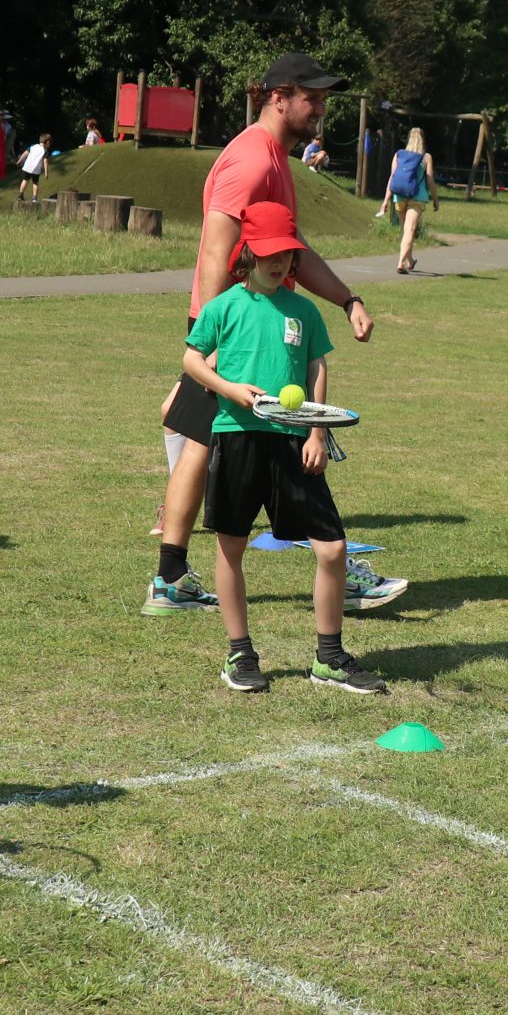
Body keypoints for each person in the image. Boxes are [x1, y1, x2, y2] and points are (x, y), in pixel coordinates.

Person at [151, 53, 379, 618]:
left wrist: (346, 298)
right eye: (313, 99)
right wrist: (216, 340)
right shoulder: (251, 161)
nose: (321, 110)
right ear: (278, 96)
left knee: (202, 444)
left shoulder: (276, 158)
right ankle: (333, 563)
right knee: (251, 442)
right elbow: (214, 250)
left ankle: (171, 578)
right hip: (234, 328)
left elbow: (291, 249)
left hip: (237, 324)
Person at [183, 202, 399, 694]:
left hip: (294, 442)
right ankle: (240, 653)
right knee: (232, 545)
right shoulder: (224, 307)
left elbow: (316, 368)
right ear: (250, 252)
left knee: (332, 547)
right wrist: (230, 389)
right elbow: (192, 360)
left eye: (289, 254)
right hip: (238, 437)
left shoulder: (303, 310)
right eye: (271, 253)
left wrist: (317, 432)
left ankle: (329, 658)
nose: (281, 263)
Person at [385, 127, 433, 274]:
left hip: (399, 196)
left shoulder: (399, 155)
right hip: (417, 197)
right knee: (410, 229)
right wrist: (435, 199)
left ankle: (409, 260)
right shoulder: (426, 157)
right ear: (423, 140)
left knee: (405, 230)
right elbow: (430, 180)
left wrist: (385, 201)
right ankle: (400, 263)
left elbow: (392, 177)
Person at [16, 132, 52, 205]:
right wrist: (46, 173)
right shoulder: (45, 151)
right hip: (36, 170)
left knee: (25, 180)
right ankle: (34, 198)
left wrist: (20, 160)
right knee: (35, 183)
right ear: (48, 142)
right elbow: (45, 161)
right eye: (50, 144)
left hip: (27, 167)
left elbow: (25, 153)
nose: (49, 146)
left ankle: (20, 195)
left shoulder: (33, 146)